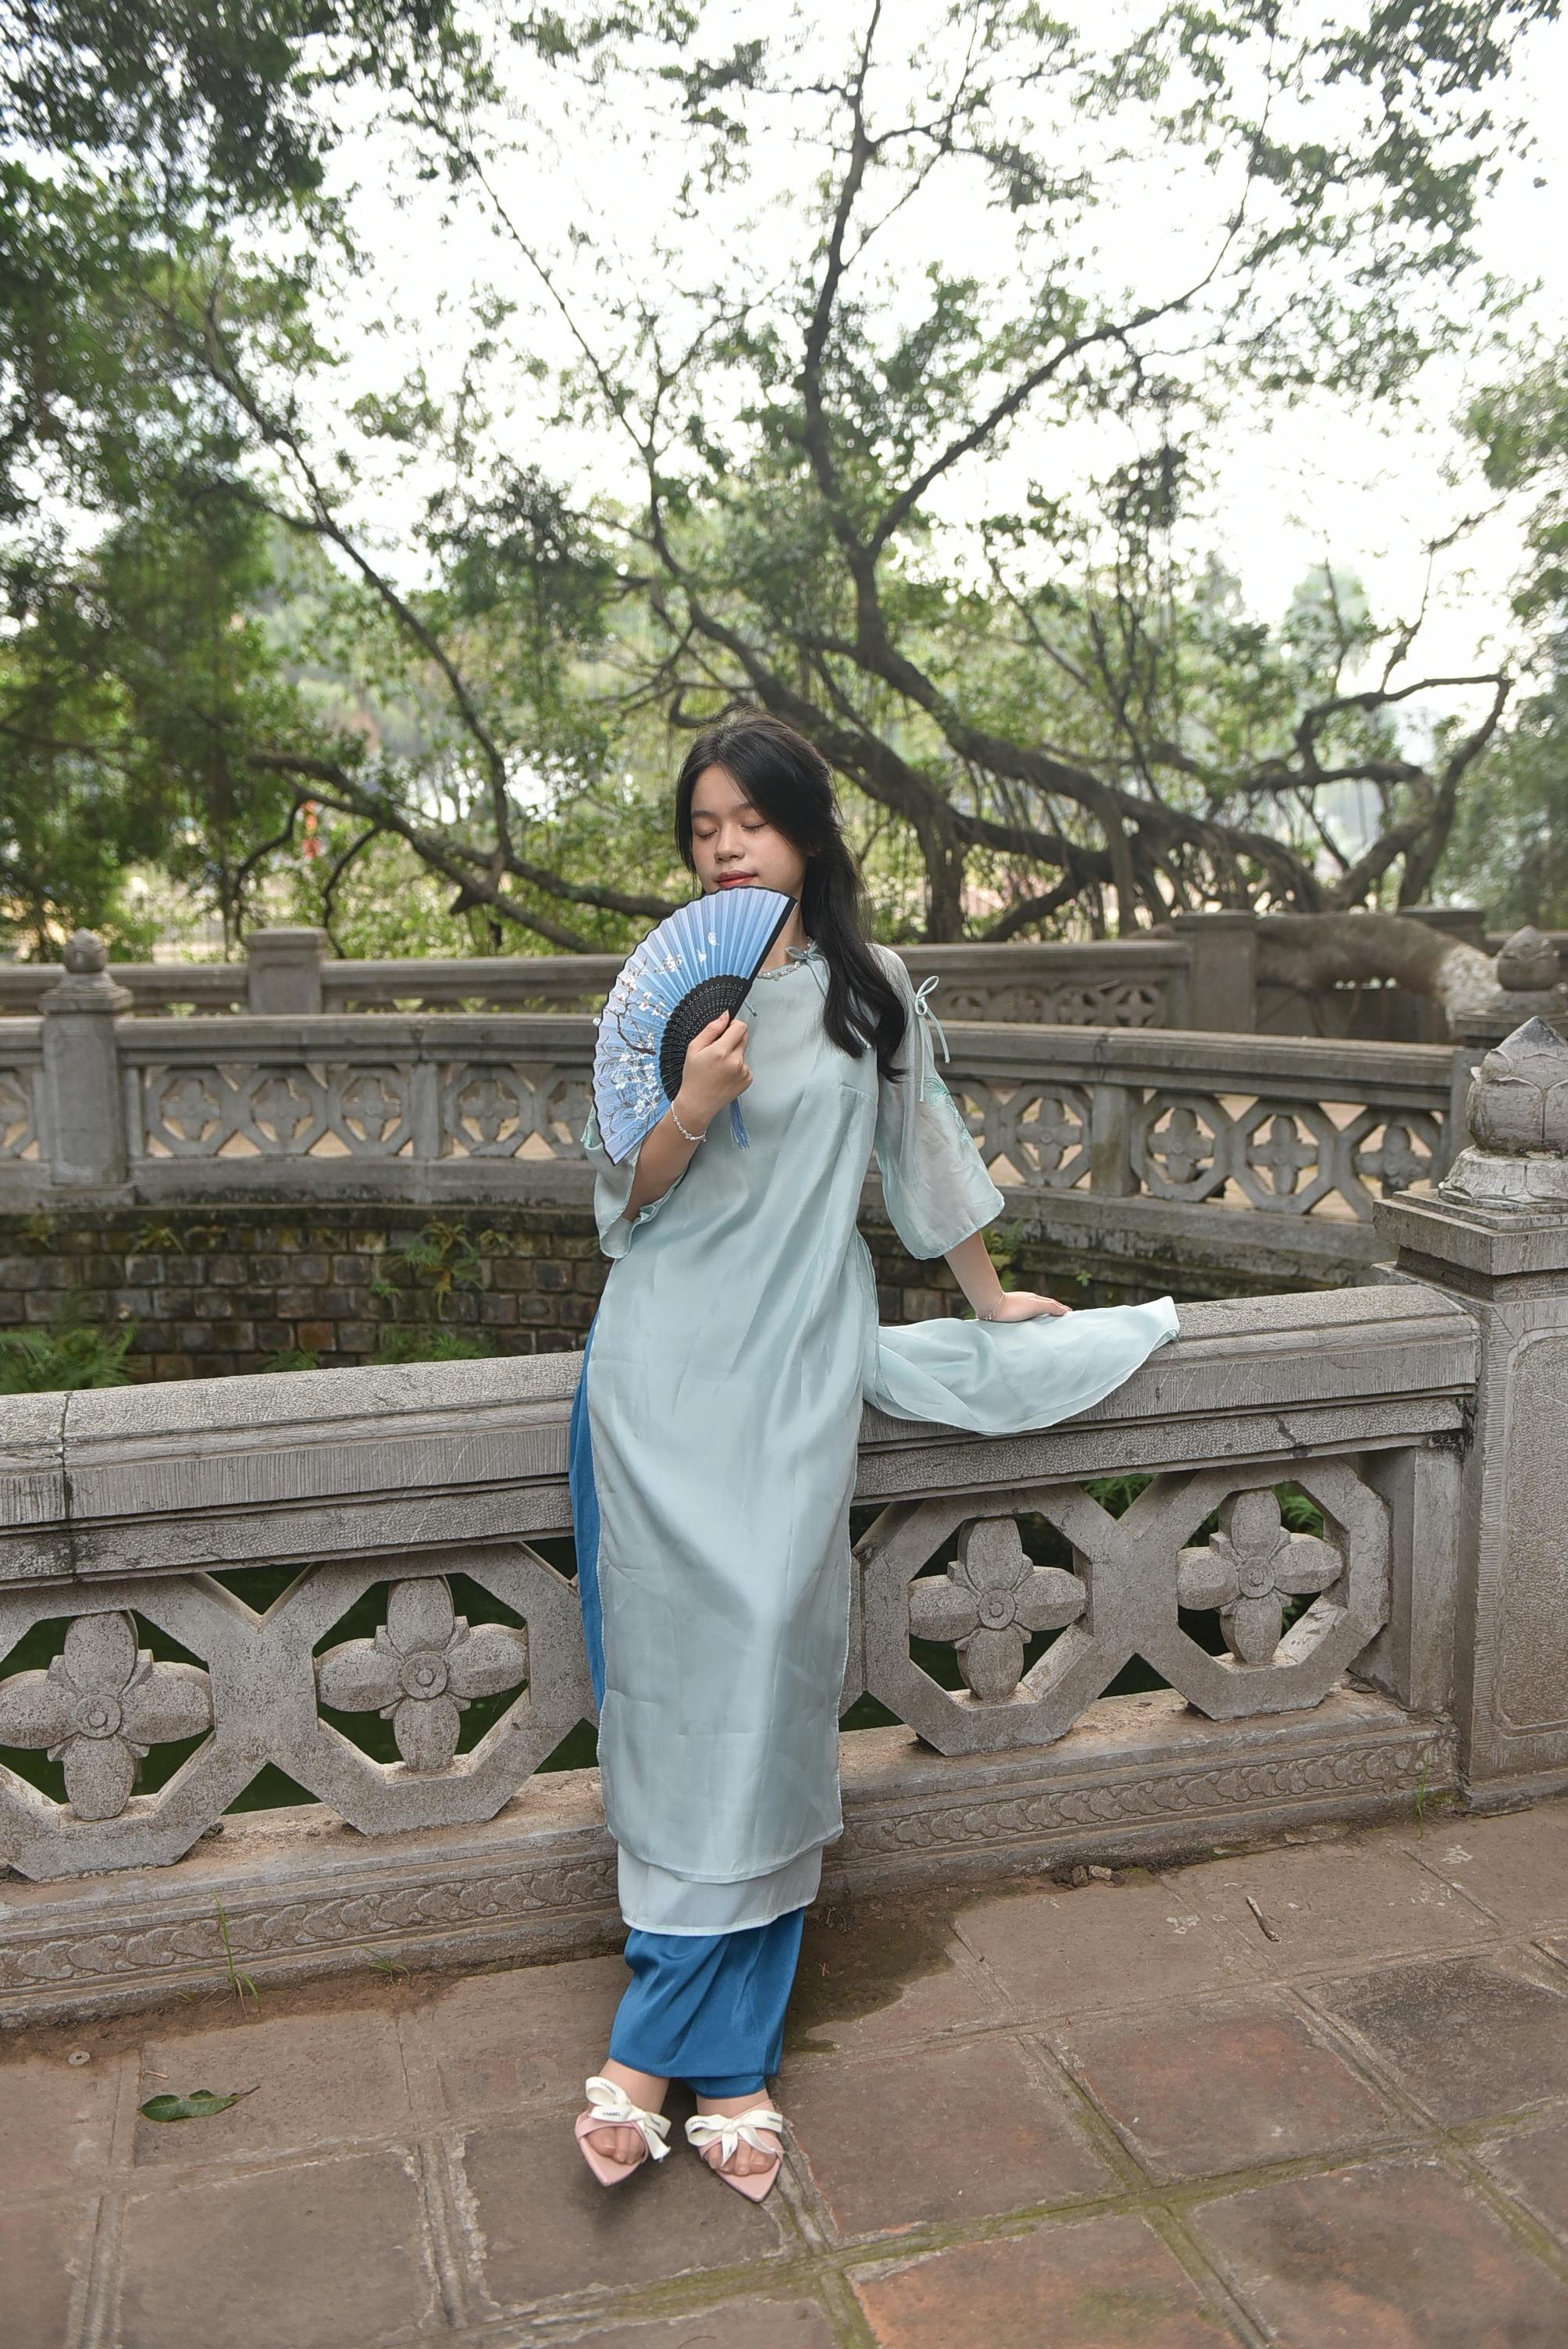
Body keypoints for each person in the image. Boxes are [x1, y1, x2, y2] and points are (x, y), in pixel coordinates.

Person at [568, 709, 1178, 2198]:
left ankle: (655, 2049)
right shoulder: (668, 1001)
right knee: (671, 1694)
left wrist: (986, 1297)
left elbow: (929, 1156)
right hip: (658, 1370)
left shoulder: (869, 991)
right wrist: (693, 1107)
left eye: (750, 822)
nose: (724, 845)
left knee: (771, 1675)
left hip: (792, 1369)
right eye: (704, 825)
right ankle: (728, 2071)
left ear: (809, 834)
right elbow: (621, 1202)